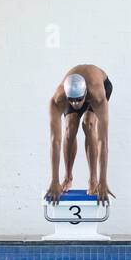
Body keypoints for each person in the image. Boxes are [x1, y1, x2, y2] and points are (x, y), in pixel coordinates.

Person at [45, 64, 114, 205]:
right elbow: (55, 141)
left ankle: (93, 179)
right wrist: (54, 180)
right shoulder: (57, 99)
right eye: (72, 100)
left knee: (88, 124)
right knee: (70, 127)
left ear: (85, 94)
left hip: (100, 85)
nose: (75, 104)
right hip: (75, 92)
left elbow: (103, 142)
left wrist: (103, 180)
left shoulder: (98, 97)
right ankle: (68, 177)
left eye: (79, 100)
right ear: (66, 95)